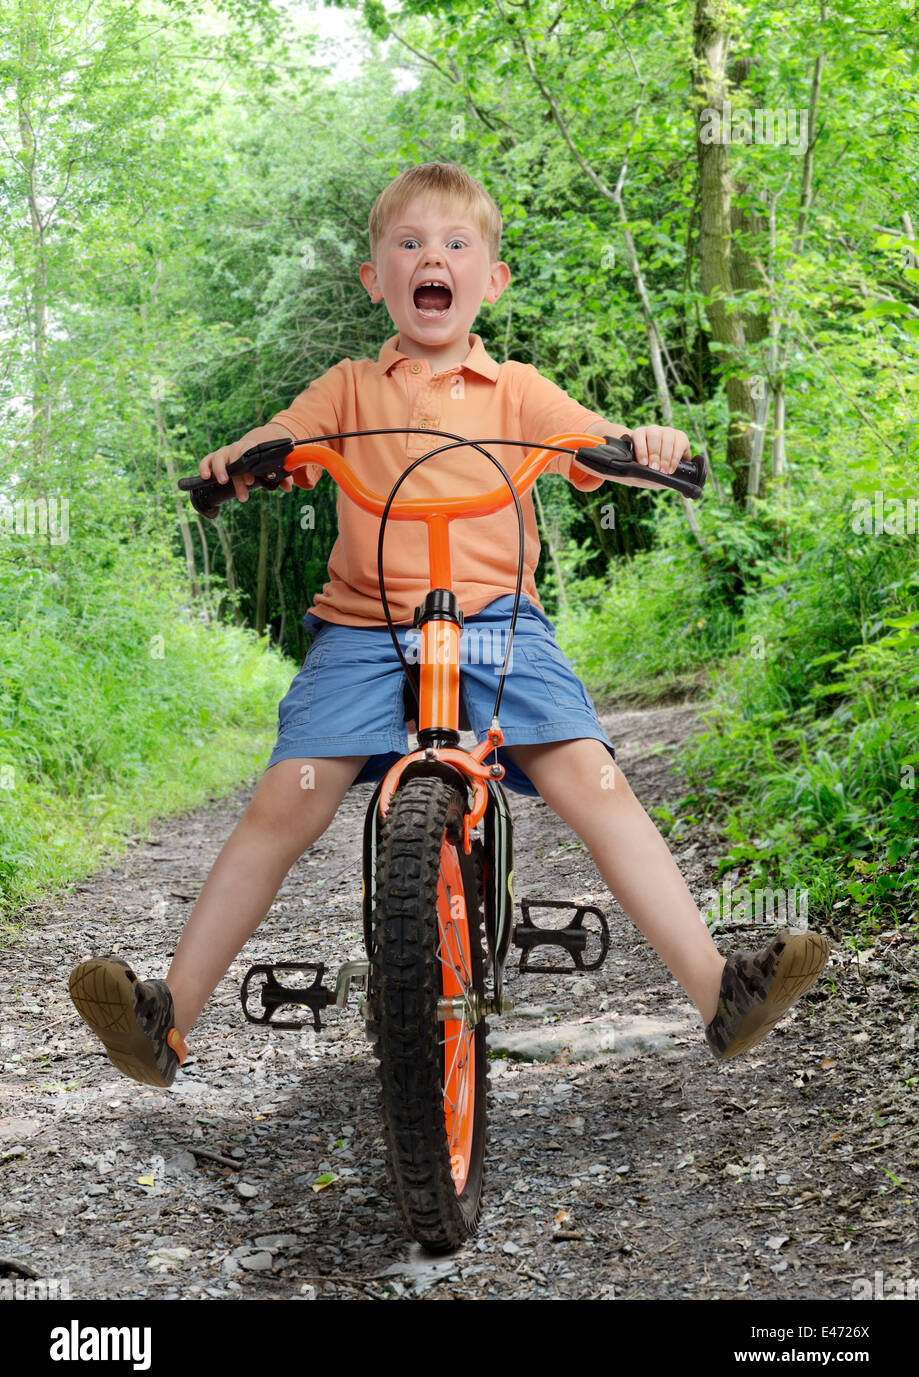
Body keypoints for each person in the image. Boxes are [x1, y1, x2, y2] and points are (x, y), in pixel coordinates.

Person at [68, 162, 828, 1087]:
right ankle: (166, 1018)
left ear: (490, 280)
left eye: (456, 245)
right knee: (285, 800)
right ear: (375, 279)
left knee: (592, 776)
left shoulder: (516, 390)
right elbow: (286, 435)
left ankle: (719, 991)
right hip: (364, 626)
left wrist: (646, 450)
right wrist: (243, 460)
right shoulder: (349, 387)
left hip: (498, 621)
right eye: (410, 244)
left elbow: (601, 445)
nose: (434, 258)